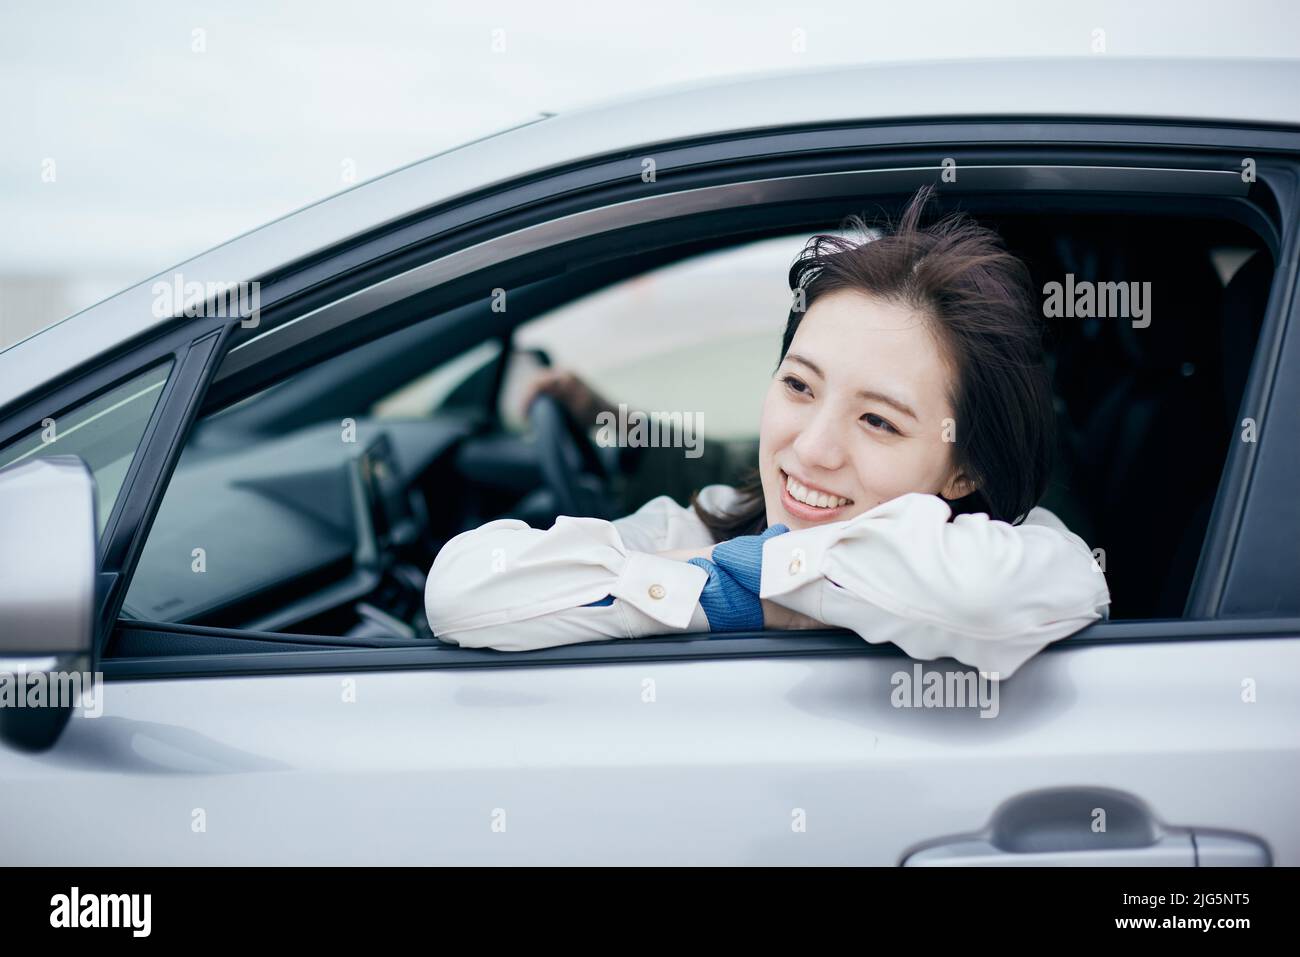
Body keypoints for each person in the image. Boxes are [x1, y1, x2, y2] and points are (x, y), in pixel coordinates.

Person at [424, 186, 1110, 678]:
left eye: (878, 420)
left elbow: (1000, 597)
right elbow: (463, 590)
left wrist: (749, 589)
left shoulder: (1019, 549)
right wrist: (733, 585)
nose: (811, 448)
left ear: (965, 468)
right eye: (799, 386)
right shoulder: (708, 525)